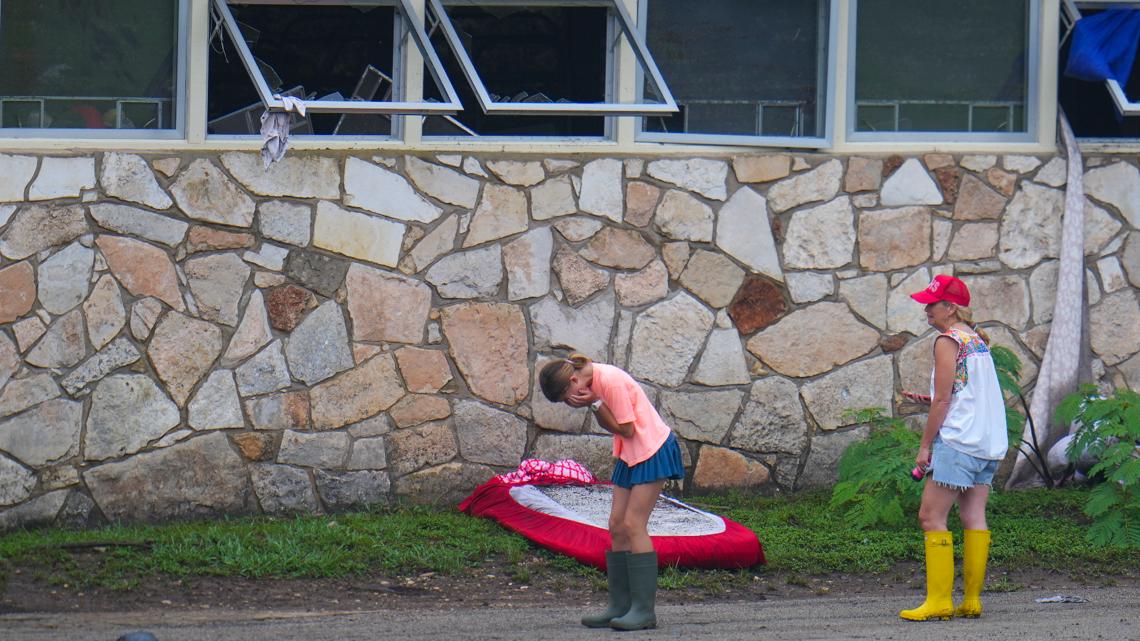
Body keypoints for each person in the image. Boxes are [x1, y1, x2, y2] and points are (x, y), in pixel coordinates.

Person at [538, 353, 685, 631]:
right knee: (617, 524)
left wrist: (595, 403)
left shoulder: (610, 381)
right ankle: (620, 606)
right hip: (631, 454)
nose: (570, 403)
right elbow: (618, 429)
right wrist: (595, 403)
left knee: (633, 524)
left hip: (652, 450)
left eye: (567, 399)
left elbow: (626, 429)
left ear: (573, 381)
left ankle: (643, 611)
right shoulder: (591, 381)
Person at [899, 274, 1008, 622]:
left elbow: (944, 401)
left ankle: (939, 601)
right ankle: (971, 600)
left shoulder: (947, 341)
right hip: (986, 445)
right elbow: (966, 392)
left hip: (959, 443)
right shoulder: (977, 340)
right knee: (973, 517)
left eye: (931, 305)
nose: (926, 311)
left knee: (931, 517)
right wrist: (930, 398)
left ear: (950, 307)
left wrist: (925, 446)